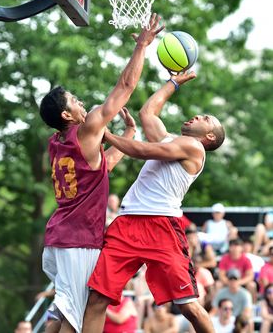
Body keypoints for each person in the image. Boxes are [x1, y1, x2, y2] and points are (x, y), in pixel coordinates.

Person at [39, 14, 164, 333]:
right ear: (67, 114)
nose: (82, 102)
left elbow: (102, 166)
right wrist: (141, 47)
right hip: (78, 240)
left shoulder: (57, 142)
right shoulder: (87, 127)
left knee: (63, 312)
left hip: (59, 237)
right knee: (77, 318)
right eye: (75, 101)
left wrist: (129, 134)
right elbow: (125, 86)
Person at [82, 70, 225, 333]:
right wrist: (173, 83)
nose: (197, 116)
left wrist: (107, 136)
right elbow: (148, 113)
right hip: (127, 223)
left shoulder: (195, 148)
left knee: (188, 306)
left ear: (210, 137)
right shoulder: (171, 139)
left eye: (205, 118)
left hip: (162, 225)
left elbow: (142, 150)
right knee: (97, 298)